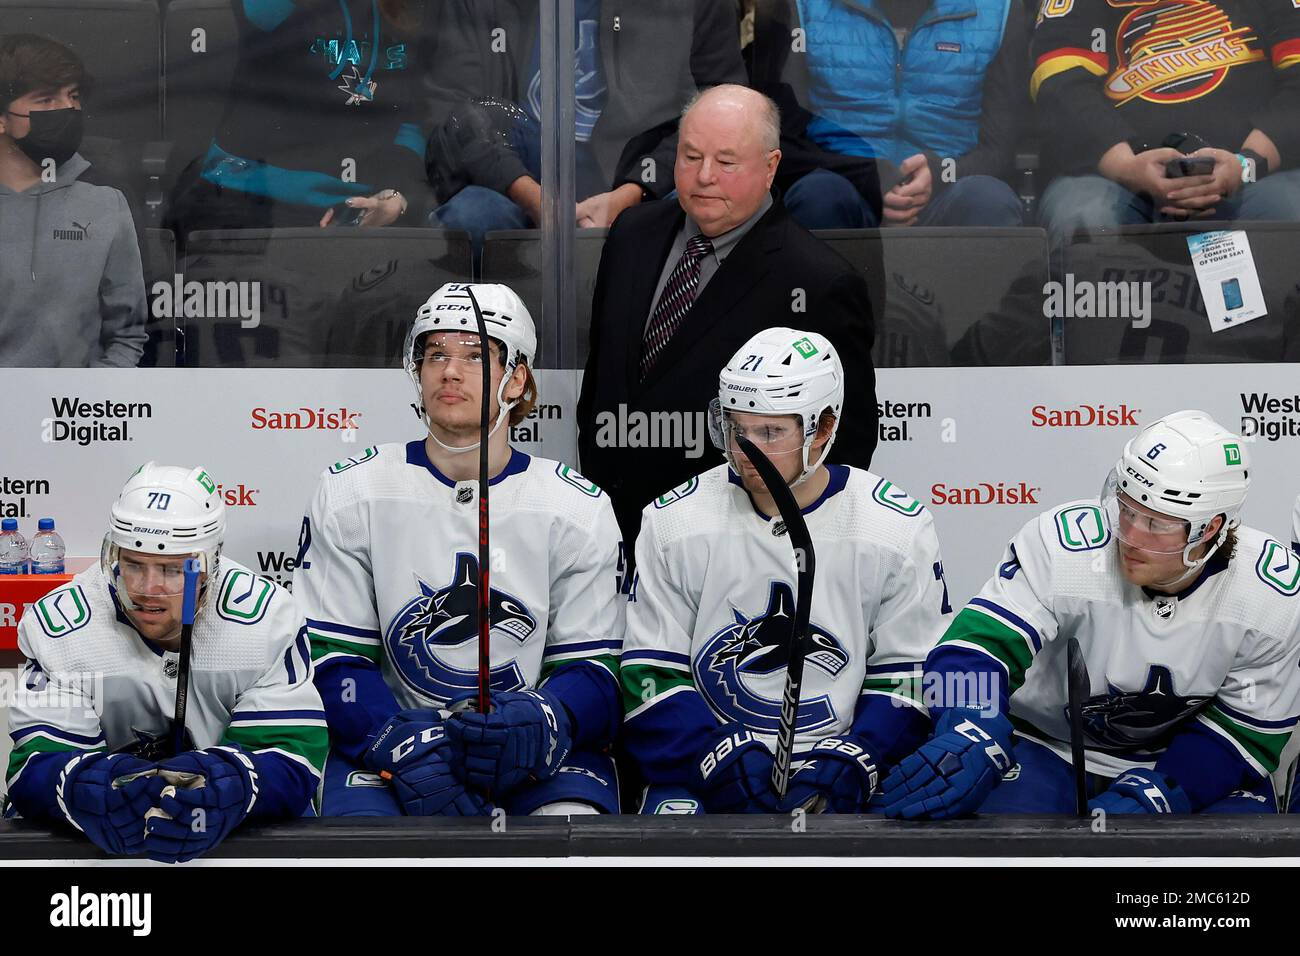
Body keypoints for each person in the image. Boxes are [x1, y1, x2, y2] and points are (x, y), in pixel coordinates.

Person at [295, 282, 626, 817]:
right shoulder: (352, 488)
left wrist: (541, 721)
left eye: (475, 356)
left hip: (531, 747)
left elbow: (595, 670)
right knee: (362, 848)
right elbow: (333, 660)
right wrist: (401, 743)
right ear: (416, 371)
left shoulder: (574, 504)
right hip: (391, 741)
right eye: (436, 354)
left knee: (572, 829)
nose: (450, 371)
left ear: (516, 378)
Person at [882, 411, 1300, 818]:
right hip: (1048, 746)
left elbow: (1247, 728)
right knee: (1000, 841)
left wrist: (1169, 789)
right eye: (1127, 509)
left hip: (1182, 757)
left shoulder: (1269, 594)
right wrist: (968, 725)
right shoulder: (1064, 545)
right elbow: (977, 646)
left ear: (1210, 529)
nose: (1130, 537)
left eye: (1155, 524)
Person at [621, 328, 951, 813]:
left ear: (822, 427)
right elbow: (650, 673)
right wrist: (714, 757)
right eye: (737, 430)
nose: (745, 452)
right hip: (703, 772)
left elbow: (909, 674)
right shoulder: (674, 521)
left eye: (770, 433)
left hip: (838, 766)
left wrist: (860, 755)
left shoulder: (895, 527)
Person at [577, 84, 877, 553]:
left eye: (727, 162)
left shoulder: (818, 281)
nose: (703, 176)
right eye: (690, 156)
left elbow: (843, 444)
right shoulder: (631, 234)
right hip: (613, 539)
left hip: (736, 554)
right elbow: (602, 384)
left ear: (771, 166)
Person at [3, 463, 327, 863]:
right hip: (98, 842)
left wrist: (231, 787)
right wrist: (87, 790)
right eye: (134, 564)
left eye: (173, 570)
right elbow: (37, 764)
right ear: (112, 554)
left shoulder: (265, 620)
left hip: (230, 836)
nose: (146, 589)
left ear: (210, 565)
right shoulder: (63, 624)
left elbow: (291, 757)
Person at [423, 0, 747, 257]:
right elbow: (454, 111)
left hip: (645, 183)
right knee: (472, 217)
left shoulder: (696, 5)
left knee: (704, 211)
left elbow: (721, 107)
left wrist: (633, 191)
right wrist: (531, 197)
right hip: (514, 183)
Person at [1032, 0, 1300, 246]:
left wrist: (1245, 165)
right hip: (1116, 178)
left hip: (1254, 174)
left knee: (1289, 208)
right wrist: (1126, 168)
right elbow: (1060, 88)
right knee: (1083, 216)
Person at [748, 0, 1027, 230]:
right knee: (817, 197)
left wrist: (944, 174)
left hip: (950, 186)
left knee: (990, 201)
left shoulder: (998, 9)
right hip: (840, 181)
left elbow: (1000, 147)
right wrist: (864, 174)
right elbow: (784, 136)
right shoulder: (801, 6)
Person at [167, 0, 431, 235]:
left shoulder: (406, 10)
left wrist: (396, 196)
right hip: (257, 202)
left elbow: (408, 120)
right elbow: (258, 14)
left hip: (363, 211)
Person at [0, 33, 147, 367]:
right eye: (46, 99)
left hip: (73, 414)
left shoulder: (106, 202)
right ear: (2, 119)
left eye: (73, 96)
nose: (67, 109)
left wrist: (86, 407)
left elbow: (127, 336)